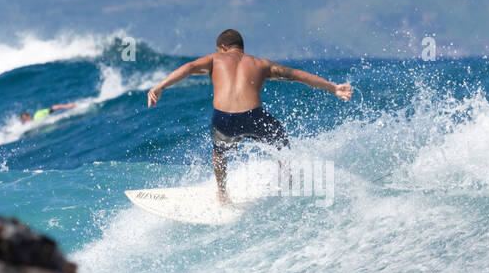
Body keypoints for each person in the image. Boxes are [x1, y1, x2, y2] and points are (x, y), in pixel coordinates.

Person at [147, 29, 352, 202]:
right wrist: (332, 87)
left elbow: (188, 68)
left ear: (223, 48)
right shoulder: (261, 64)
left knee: (219, 154)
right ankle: (290, 184)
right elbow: (297, 75)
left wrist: (160, 87)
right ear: (241, 48)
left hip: (223, 119)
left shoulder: (215, 59)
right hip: (254, 117)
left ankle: (222, 194)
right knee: (281, 144)